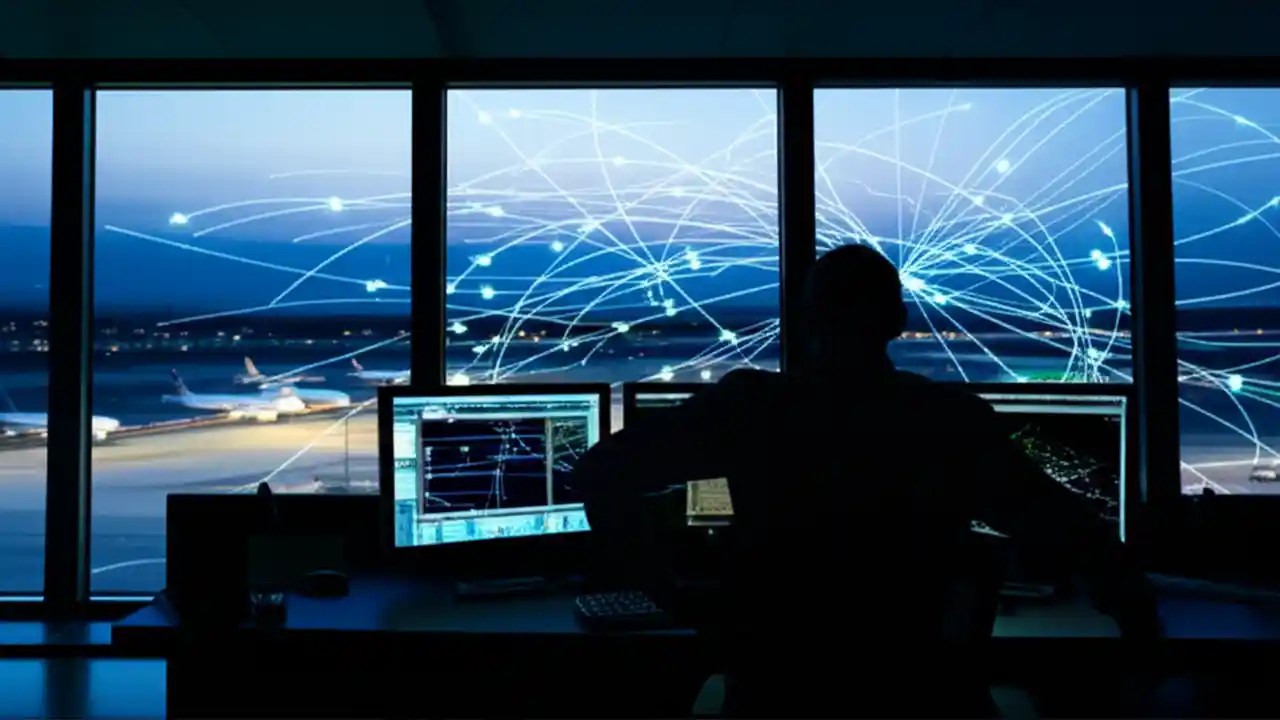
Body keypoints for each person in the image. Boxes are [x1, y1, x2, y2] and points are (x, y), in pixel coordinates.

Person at [575, 244, 1162, 717]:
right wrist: (1139, 624)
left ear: (805, 321)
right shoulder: (948, 421)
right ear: (899, 321)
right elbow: (1072, 530)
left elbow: (600, 472)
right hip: (920, 702)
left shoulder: (749, 411)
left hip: (779, 702)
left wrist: (670, 594)